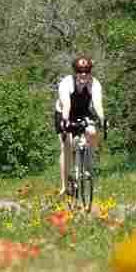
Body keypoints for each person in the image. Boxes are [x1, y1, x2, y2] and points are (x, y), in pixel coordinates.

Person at [55, 56, 105, 196]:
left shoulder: (94, 84)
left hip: (83, 112)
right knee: (67, 145)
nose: (83, 74)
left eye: (87, 71)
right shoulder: (66, 83)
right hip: (65, 113)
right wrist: (65, 121)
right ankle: (65, 186)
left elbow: (97, 104)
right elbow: (66, 104)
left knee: (92, 132)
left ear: (90, 71)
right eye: (79, 71)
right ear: (75, 71)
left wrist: (102, 119)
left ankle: (88, 165)